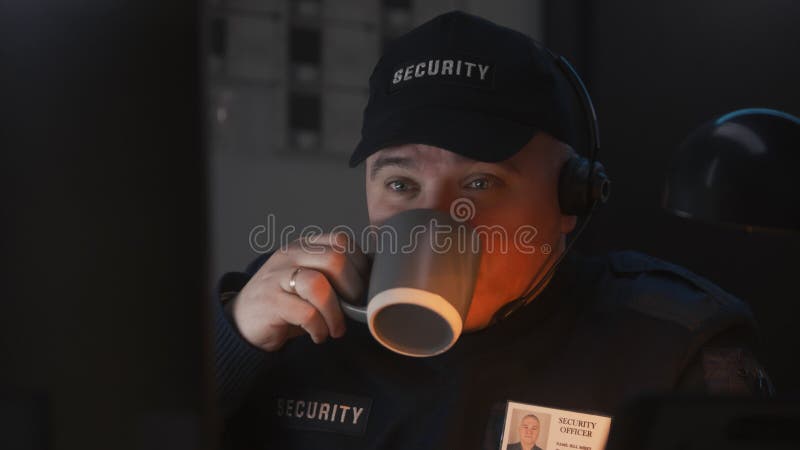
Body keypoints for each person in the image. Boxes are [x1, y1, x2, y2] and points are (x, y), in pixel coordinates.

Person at [213, 11, 771, 450]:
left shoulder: (670, 343)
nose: (435, 221)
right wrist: (229, 345)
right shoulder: (296, 320)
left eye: (480, 183)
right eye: (401, 185)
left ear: (571, 197)